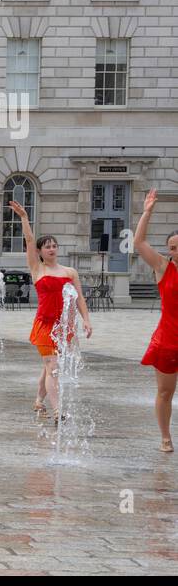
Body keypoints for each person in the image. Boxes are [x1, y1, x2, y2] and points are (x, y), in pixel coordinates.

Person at [9, 200, 92, 424]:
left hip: (64, 325)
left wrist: (86, 321)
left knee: (49, 369)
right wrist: (24, 218)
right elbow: (28, 239)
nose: (52, 249)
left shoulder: (70, 271)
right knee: (52, 367)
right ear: (40, 251)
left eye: (54, 245)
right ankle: (58, 412)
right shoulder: (37, 269)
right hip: (45, 324)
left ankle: (38, 400)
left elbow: (80, 299)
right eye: (47, 246)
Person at [131, 189, 175, 452]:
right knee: (165, 392)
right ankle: (165, 437)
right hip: (169, 339)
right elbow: (139, 243)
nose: (176, 251)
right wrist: (147, 212)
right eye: (173, 247)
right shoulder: (163, 267)